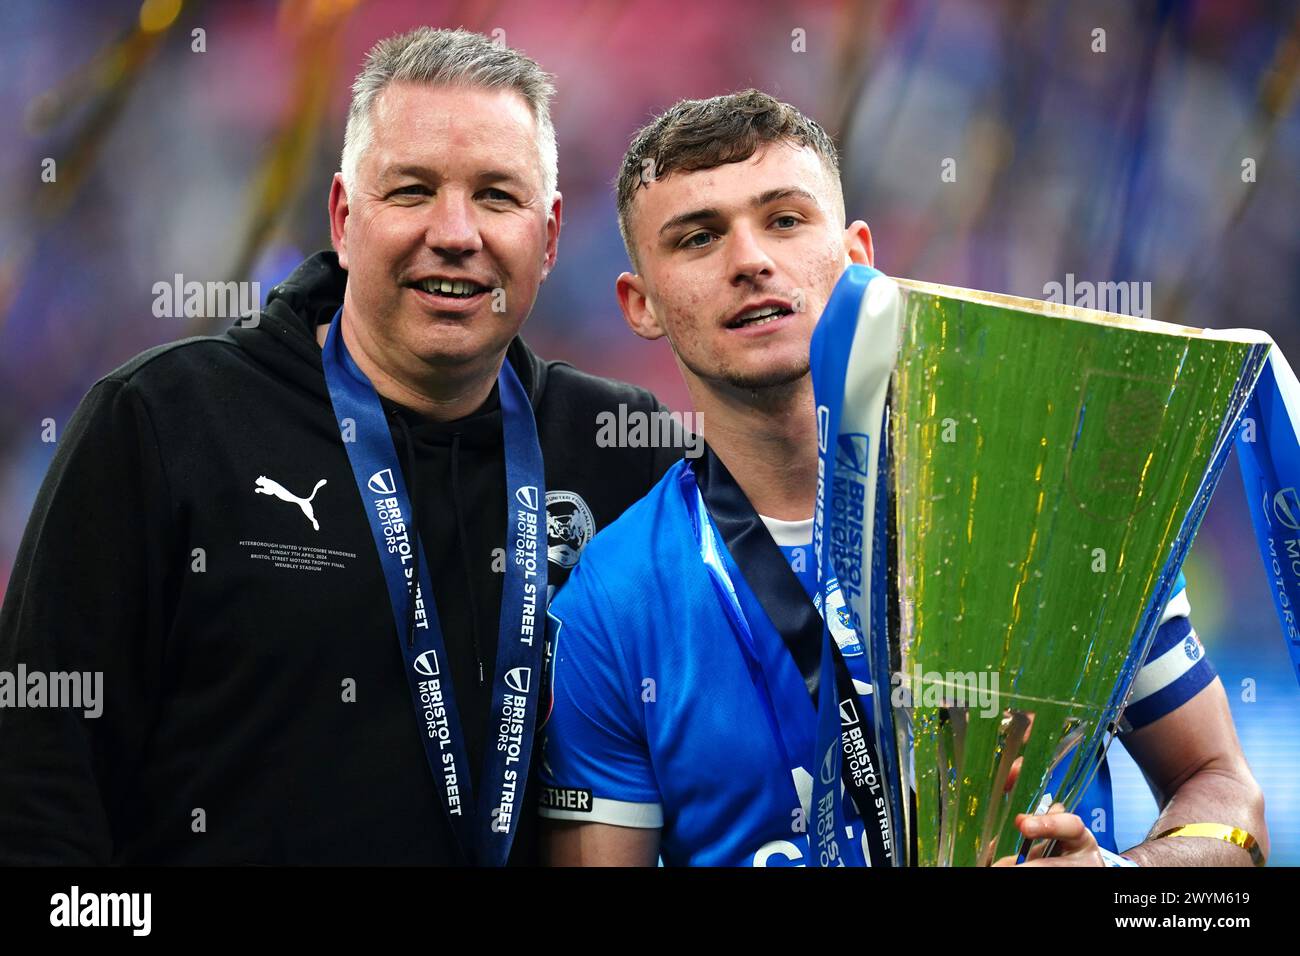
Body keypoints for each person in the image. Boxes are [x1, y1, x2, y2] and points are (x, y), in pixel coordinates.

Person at [0, 27, 682, 865]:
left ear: (548, 238)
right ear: (344, 219)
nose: (456, 231)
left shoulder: (624, 454)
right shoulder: (162, 423)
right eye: (412, 190)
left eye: (497, 196)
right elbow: (38, 786)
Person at [537, 90, 1269, 867]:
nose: (750, 260)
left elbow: (1226, 791)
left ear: (857, 258)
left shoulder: (1052, 511)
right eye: (699, 237)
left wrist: (1125, 878)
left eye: (785, 220)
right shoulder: (610, 604)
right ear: (641, 304)